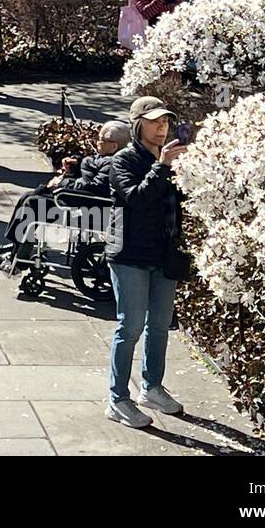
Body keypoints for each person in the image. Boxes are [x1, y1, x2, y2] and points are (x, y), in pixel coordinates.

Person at [106, 96, 190, 428]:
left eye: (166, 122)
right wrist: (163, 166)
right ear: (138, 124)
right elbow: (138, 199)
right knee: (129, 327)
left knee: (159, 326)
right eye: (155, 121)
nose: (162, 127)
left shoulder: (169, 162)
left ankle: (152, 387)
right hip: (129, 254)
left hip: (162, 253)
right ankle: (118, 399)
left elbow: (179, 201)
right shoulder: (123, 161)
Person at [0, 120, 129, 270]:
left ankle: (19, 259)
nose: (97, 142)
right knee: (30, 195)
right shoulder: (105, 157)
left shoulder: (113, 164)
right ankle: (18, 245)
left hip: (88, 209)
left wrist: (61, 184)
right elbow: (90, 171)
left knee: (33, 204)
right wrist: (75, 163)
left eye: (101, 139)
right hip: (78, 199)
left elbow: (95, 187)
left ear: (114, 146)